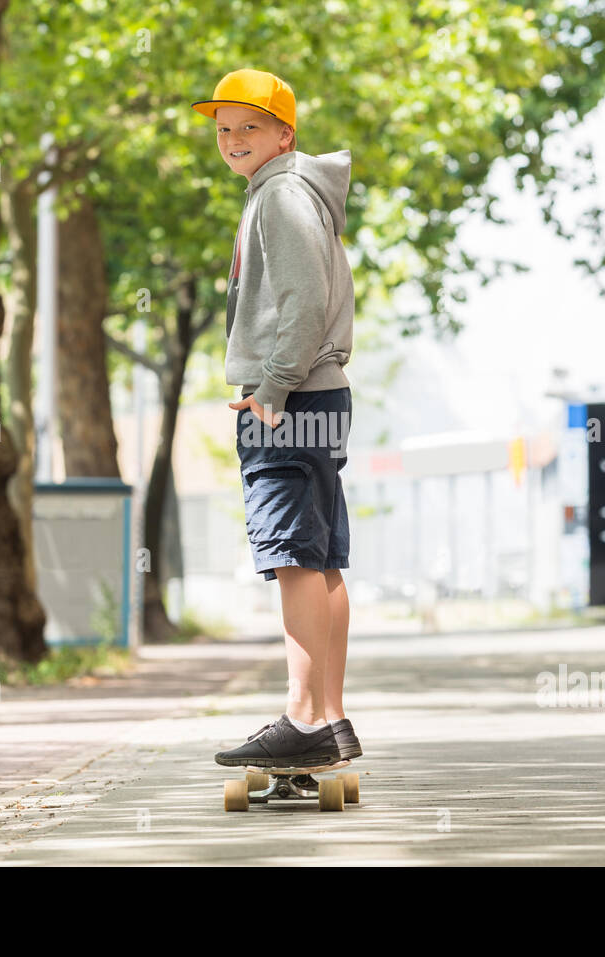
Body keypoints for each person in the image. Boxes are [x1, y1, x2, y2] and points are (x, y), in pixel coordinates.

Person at [192, 69, 363, 769]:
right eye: (224, 129)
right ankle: (331, 716)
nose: (233, 140)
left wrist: (272, 387)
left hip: (289, 400)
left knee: (293, 554)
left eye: (249, 127)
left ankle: (303, 716)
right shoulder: (288, 191)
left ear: (284, 133)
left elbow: (303, 296)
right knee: (319, 558)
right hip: (315, 397)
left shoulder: (283, 194)